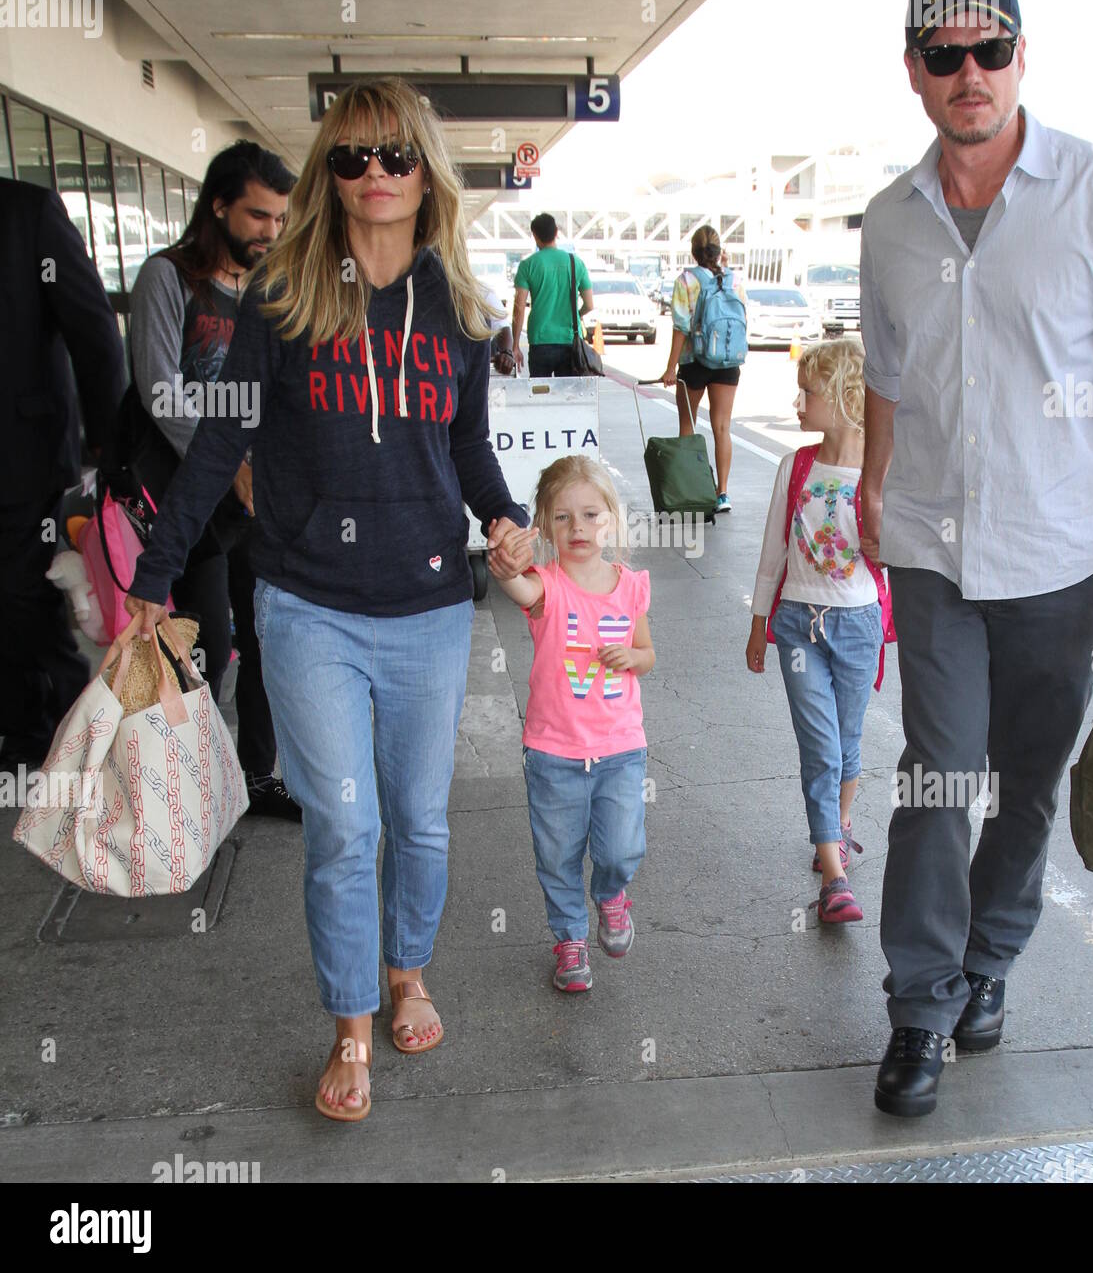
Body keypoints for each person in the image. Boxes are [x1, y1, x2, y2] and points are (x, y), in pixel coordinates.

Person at [125, 77, 533, 1122]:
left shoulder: (462, 309)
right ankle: (352, 1021)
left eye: (395, 155)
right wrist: (152, 576)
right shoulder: (283, 302)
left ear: (425, 168)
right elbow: (220, 445)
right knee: (345, 827)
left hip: (432, 608)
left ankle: (409, 971)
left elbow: (468, 452)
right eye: (350, 158)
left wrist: (508, 520)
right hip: (307, 606)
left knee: (421, 824)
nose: (374, 176)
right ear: (328, 174)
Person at [859, 0, 1093, 1117]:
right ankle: (919, 1007)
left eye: (988, 50)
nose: (969, 74)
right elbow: (886, 376)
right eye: (943, 55)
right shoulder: (888, 221)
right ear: (914, 69)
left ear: (1019, 56)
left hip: (1060, 556)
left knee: (1028, 791)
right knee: (937, 779)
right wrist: (872, 485)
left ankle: (988, 964)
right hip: (933, 552)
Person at [127, 140, 299, 818]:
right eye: (259, 216)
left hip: (257, 499)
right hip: (191, 500)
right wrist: (229, 464)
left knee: (265, 638)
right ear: (218, 205)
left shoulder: (270, 292)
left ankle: (257, 777)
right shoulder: (166, 278)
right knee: (207, 646)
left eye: (281, 219)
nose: (271, 232)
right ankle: (189, 783)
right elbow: (161, 394)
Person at [489, 456, 655, 994]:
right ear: (544, 525)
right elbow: (519, 591)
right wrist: (508, 568)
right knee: (557, 854)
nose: (577, 528)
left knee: (621, 847)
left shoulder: (630, 586)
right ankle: (570, 939)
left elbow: (648, 652)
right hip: (554, 751)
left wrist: (633, 657)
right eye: (562, 518)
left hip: (620, 747)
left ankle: (611, 894)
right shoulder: (547, 585)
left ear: (611, 518)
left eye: (589, 514)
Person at [746, 339, 883, 924]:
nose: (799, 402)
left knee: (849, 741)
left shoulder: (879, 469)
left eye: (811, 392)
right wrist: (759, 623)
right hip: (799, 624)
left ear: (846, 398)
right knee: (821, 748)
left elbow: (898, 552)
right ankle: (833, 876)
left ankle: (839, 825)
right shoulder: (795, 465)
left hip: (858, 622)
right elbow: (773, 551)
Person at [0, 176, 126, 778]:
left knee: (24, 596)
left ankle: (65, 735)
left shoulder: (26, 212)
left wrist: (110, 446)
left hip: (19, 455)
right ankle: (25, 729)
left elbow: (94, 330)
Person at [659, 226, 745, 512]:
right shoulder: (733, 281)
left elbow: (681, 327)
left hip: (694, 361)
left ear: (694, 252)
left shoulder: (686, 280)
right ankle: (723, 494)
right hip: (727, 362)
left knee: (688, 424)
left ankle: (690, 489)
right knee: (722, 427)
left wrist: (670, 368)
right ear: (719, 251)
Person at [510, 213, 594, 377]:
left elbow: (519, 307)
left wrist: (515, 345)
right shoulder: (575, 262)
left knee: (541, 398)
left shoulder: (528, 265)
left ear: (534, 235)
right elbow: (590, 304)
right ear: (556, 232)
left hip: (540, 341)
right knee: (567, 398)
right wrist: (577, 314)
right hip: (570, 340)